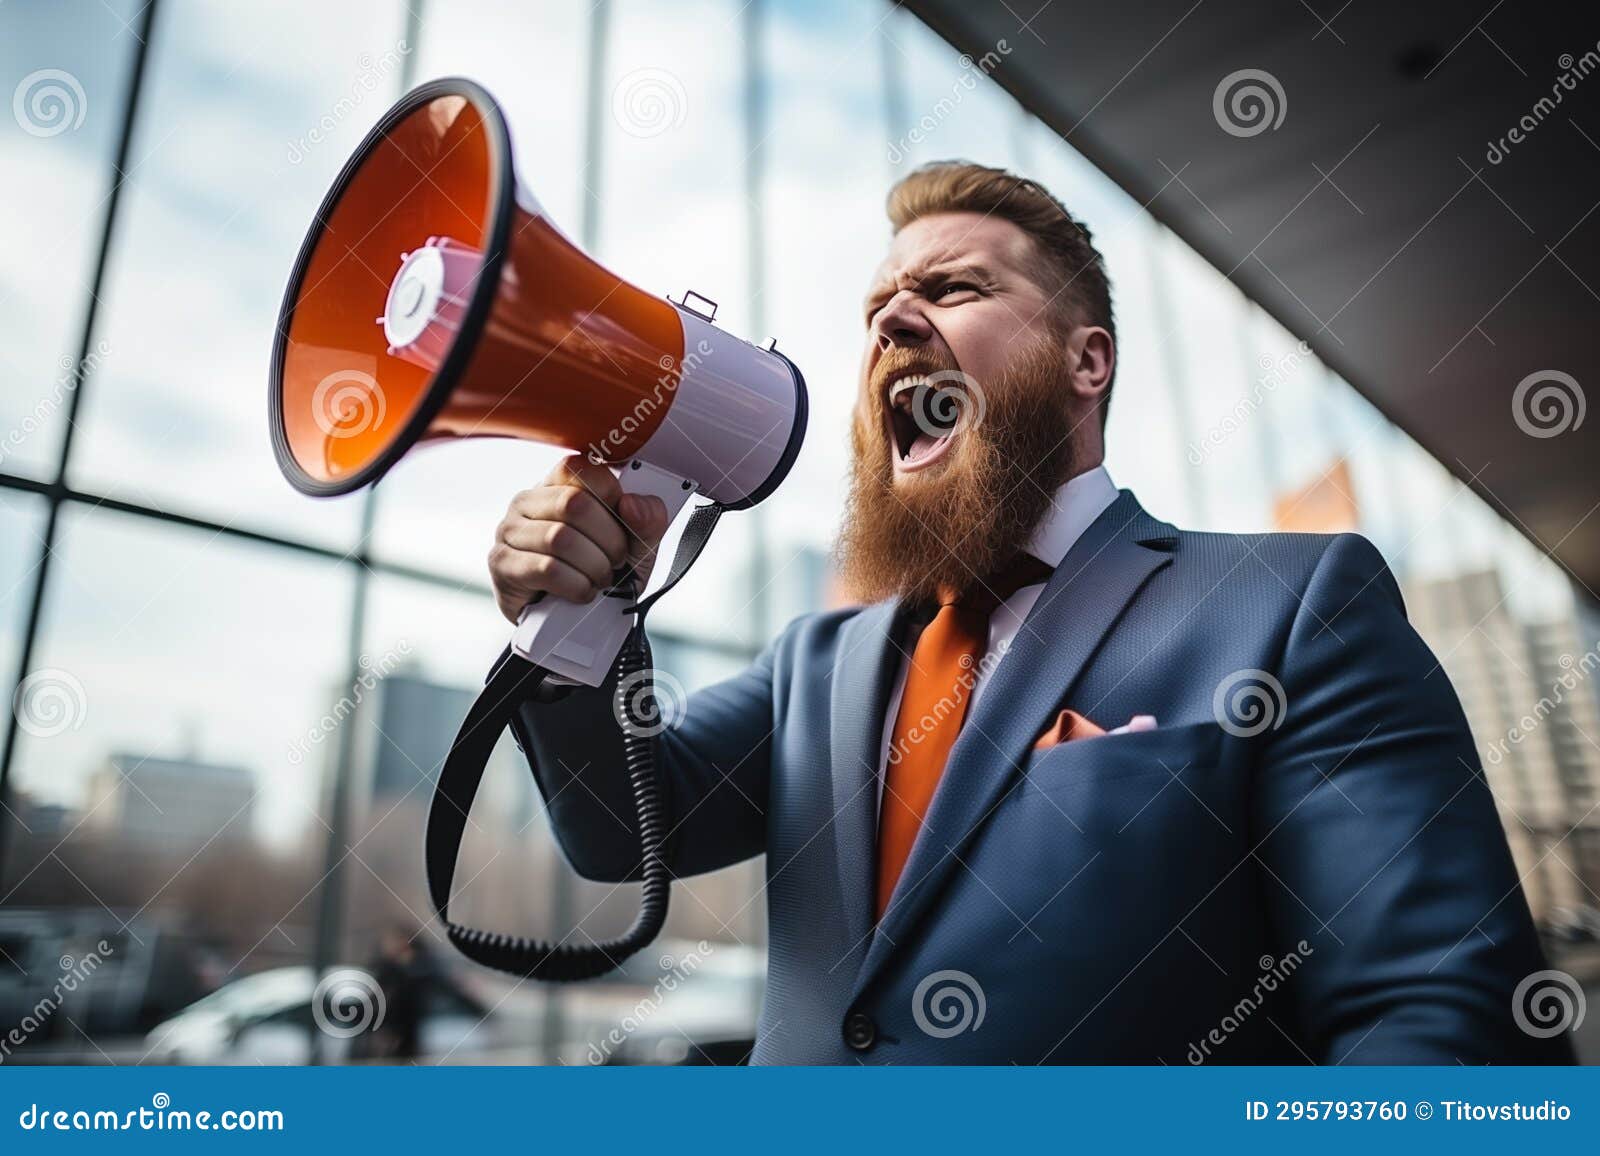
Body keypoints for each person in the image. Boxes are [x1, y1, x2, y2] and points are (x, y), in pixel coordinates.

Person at [486, 161, 1573, 1065]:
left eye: (952, 289)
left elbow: (1432, 1015)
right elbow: (621, 828)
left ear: (1084, 360)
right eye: (873, 312)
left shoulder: (1288, 606)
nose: (893, 321)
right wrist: (578, 619)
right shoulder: (812, 660)